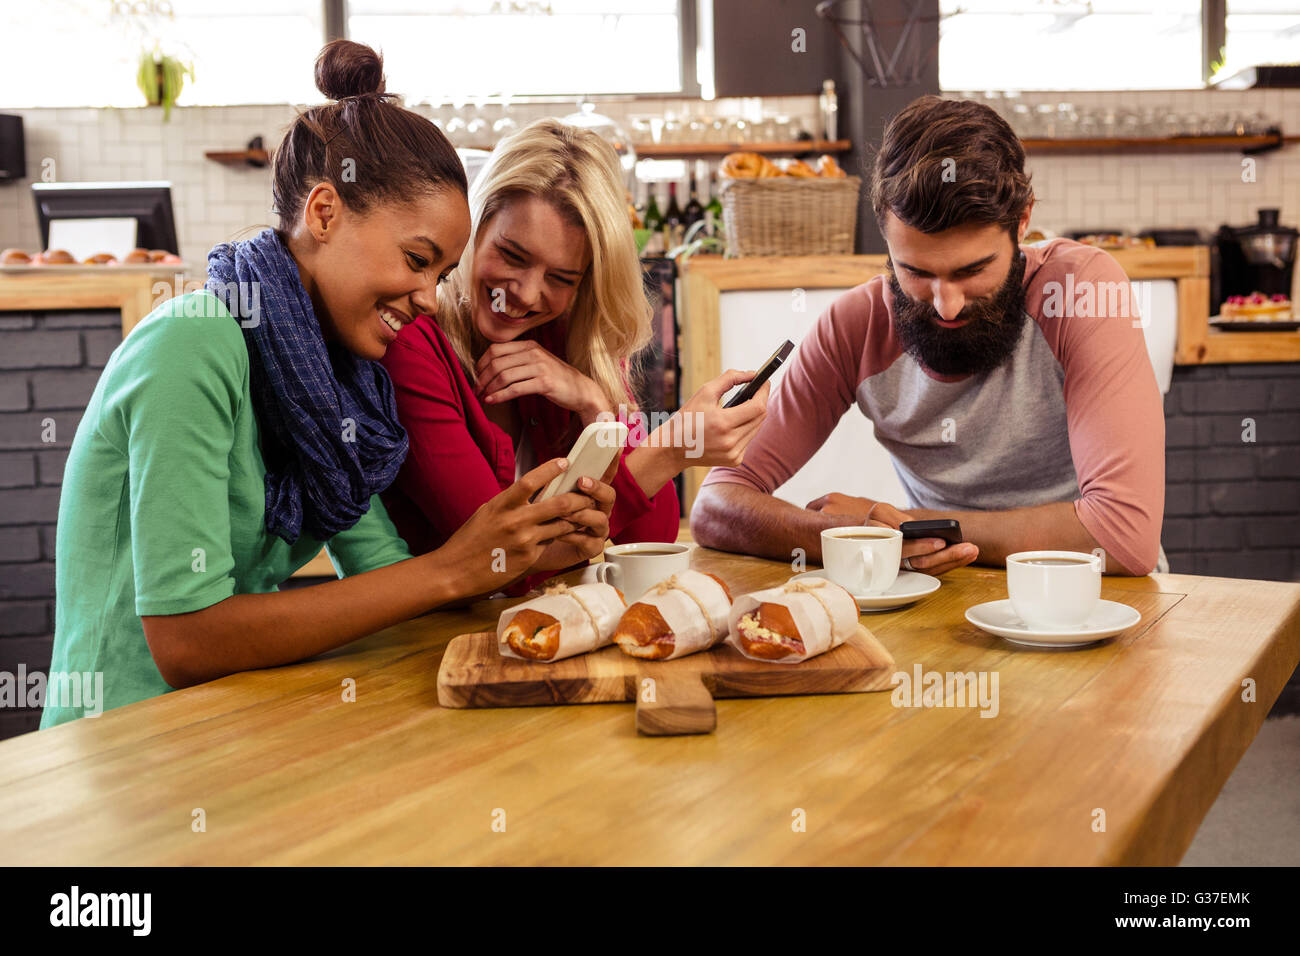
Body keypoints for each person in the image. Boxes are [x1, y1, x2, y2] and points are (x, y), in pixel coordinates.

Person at [40, 41, 615, 728]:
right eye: (417, 260)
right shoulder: (192, 344)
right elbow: (187, 640)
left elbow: (379, 569)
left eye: (441, 275)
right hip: (120, 750)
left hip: (229, 731)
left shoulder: (337, 373)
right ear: (323, 213)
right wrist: (453, 570)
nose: (432, 300)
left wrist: (524, 549)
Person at [691, 96, 1165, 577]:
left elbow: (1122, 536)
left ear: (1022, 221)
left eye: (973, 270)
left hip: (1099, 597)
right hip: (947, 599)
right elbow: (715, 505)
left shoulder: (1082, 291)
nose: (946, 304)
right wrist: (849, 534)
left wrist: (914, 527)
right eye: (916, 272)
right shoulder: (855, 325)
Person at [380, 118, 770, 595]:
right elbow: (499, 563)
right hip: (431, 645)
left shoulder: (569, 340)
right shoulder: (414, 345)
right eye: (513, 255)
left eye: (561, 279)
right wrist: (669, 451)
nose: (525, 295)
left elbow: (647, 544)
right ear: (476, 225)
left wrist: (598, 408)